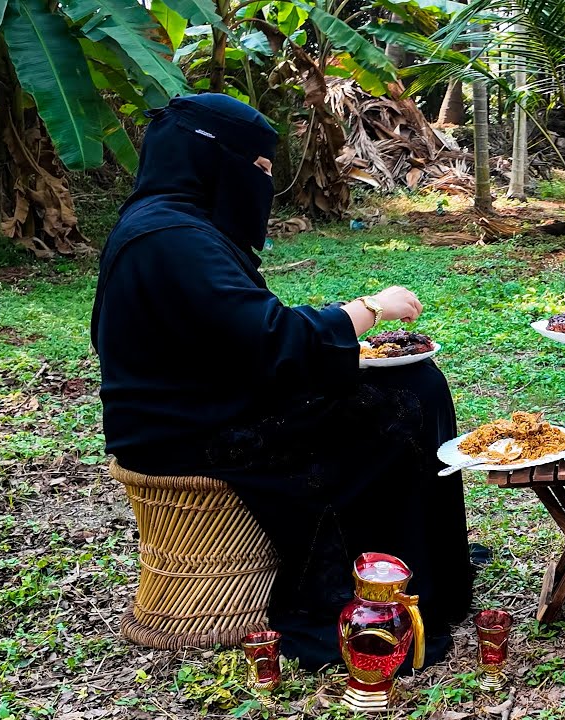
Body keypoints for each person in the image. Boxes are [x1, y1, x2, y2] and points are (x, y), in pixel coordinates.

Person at [90, 94, 473, 670]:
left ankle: (416, 558)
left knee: (411, 378)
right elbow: (272, 337)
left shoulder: (172, 224)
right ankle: (374, 578)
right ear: (211, 160)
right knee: (405, 399)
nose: (265, 183)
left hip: (206, 401)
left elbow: (232, 334)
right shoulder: (171, 238)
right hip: (186, 430)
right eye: (260, 169)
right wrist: (370, 307)